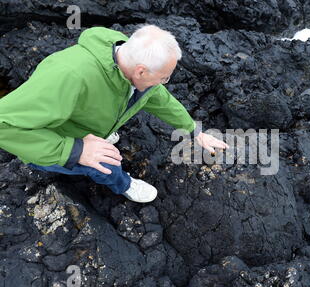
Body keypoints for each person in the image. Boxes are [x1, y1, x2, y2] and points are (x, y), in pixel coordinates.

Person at [0, 25, 229, 203]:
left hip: (81, 124)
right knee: (106, 162)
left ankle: (98, 137)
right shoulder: (69, 76)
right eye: (164, 77)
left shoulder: (125, 54)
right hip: (49, 144)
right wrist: (76, 149)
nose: (164, 82)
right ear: (140, 71)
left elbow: (159, 98)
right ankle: (124, 185)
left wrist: (193, 130)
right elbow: (4, 124)